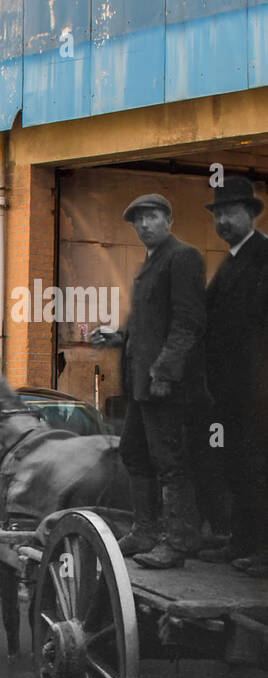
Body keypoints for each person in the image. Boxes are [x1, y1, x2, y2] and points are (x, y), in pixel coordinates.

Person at [90, 193, 206, 570]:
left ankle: (178, 540)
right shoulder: (151, 262)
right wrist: (118, 337)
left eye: (151, 217)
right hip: (142, 385)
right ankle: (145, 530)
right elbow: (148, 325)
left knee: (170, 460)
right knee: (134, 453)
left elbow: (188, 323)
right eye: (138, 220)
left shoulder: (183, 257)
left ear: (168, 219)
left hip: (164, 384)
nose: (143, 226)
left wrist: (164, 371)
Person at [193, 177, 268, 575]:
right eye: (218, 213)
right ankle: (241, 540)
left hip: (258, 389)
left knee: (260, 466)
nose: (222, 221)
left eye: (230, 212)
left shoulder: (263, 256)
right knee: (235, 464)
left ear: (251, 215)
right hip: (230, 391)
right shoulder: (232, 262)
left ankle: (264, 549)